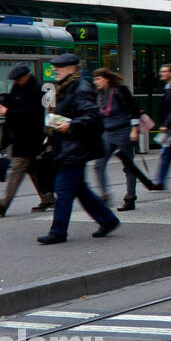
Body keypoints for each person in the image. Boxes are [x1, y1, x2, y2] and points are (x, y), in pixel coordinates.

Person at [38, 54, 119, 244]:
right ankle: (108, 220)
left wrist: (71, 125)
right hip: (66, 146)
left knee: (63, 189)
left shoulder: (81, 88)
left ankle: (58, 231)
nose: (55, 70)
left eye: (60, 67)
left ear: (72, 68)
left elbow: (93, 115)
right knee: (80, 190)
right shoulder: (66, 87)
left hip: (76, 147)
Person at [92, 69, 159, 211]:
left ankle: (130, 197)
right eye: (95, 79)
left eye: (98, 79)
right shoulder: (99, 94)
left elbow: (133, 110)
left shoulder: (120, 90)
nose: (95, 82)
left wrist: (134, 130)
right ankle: (104, 195)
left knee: (128, 165)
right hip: (107, 133)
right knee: (99, 164)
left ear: (107, 79)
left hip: (122, 131)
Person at [0, 63, 55, 215]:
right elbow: (12, 103)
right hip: (19, 137)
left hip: (30, 139)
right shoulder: (18, 88)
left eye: (18, 79)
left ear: (26, 76)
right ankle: (48, 197)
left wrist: (8, 112)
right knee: (34, 170)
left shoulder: (37, 90)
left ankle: (3, 204)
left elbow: (32, 113)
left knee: (17, 171)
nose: (16, 82)